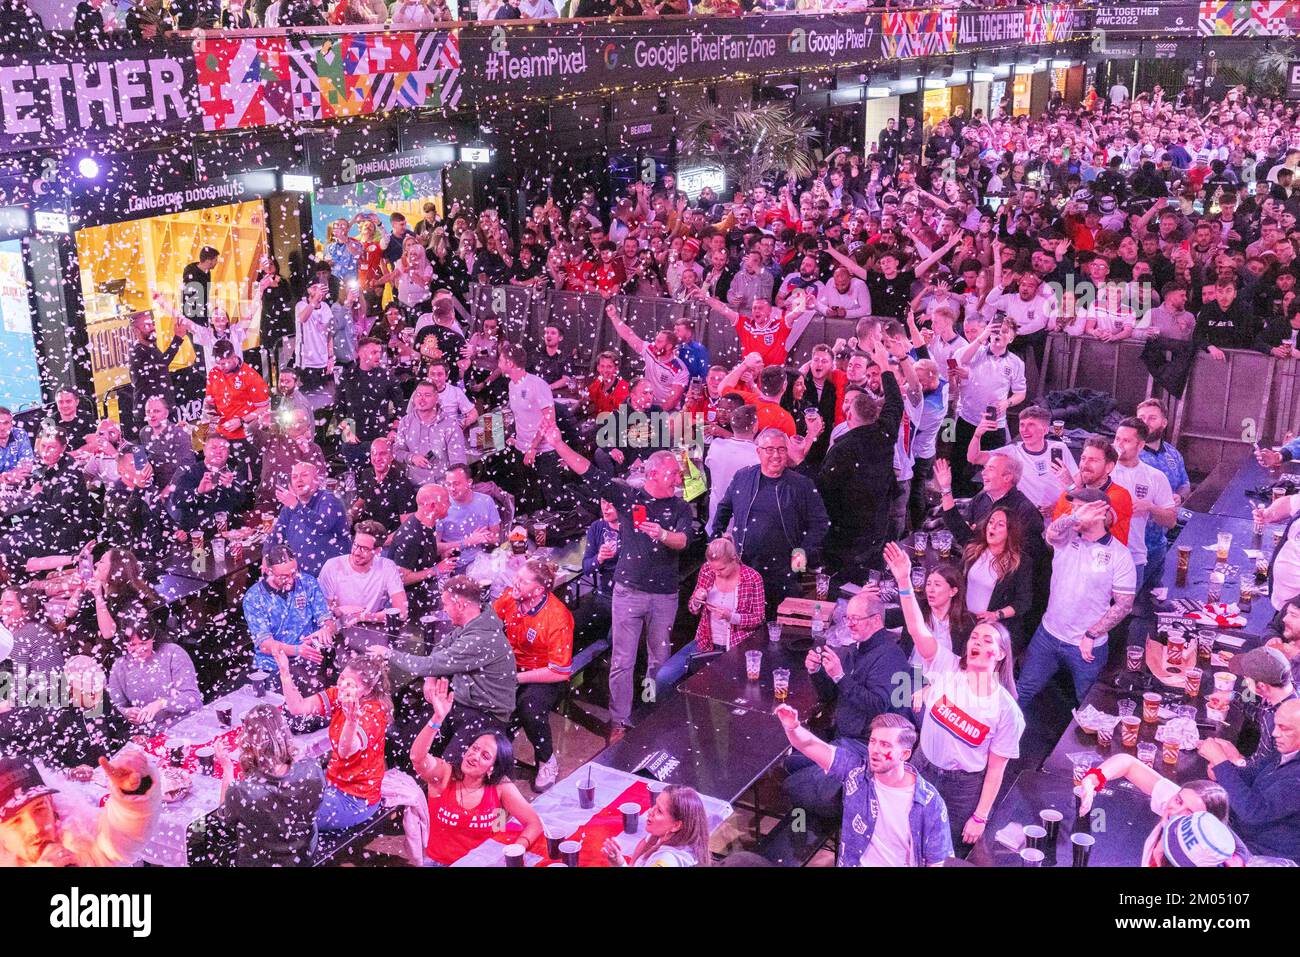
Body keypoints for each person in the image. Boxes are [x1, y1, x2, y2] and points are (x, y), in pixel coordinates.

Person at [545, 425, 693, 743]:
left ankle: (653, 709)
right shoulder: (628, 497)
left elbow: (683, 541)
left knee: (659, 659)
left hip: (664, 595)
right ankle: (620, 721)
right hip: (628, 592)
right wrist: (558, 444)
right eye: (672, 475)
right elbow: (589, 472)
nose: (678, 479)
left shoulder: (680, 507)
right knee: (623, 661)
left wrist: (662, 535)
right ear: (653, 474)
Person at [884, 541, 1024, 852]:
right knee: (906, 835)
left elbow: (997, 769)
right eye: (975, 637)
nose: (977, 641)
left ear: (1000, 654)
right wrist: (905, 582)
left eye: (987, 639)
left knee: (944, 850)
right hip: (922, 765)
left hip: (963, 787)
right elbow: (919, 631)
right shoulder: (947, 667)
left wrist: (980, 816)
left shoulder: (1006, 710)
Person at [786, 590, 912, 818]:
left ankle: (811, 827)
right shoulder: (856, 650)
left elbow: (879, 707)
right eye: (848, 618)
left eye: (855, 619)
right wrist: (816, 672)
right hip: (843, 738)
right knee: (792, 762)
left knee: (794, 782)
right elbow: (830, 696)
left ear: (875, 620)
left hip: (864, 748)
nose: (849, 624)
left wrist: (840, 677)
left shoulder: (890, 656)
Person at [774, 708, 953, 867]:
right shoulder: (856, 771)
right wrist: (793, 728)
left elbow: (937, 861)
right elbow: (810, 745)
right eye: (873, 741)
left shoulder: (929, 803)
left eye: (885, 745)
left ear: (905, 754)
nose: (874, 749)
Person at [371, 575, 517, 755]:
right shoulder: (476, 621)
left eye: (446, 604)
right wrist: (431, 679)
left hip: (487, 714)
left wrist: (388, 653)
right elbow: (440, 647)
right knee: (410, 740)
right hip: (462, 702)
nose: (444, 609)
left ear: (461, 605)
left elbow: (427, 664)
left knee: (451, 764)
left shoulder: (479, 639)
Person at [1017, 490, 1137, 710]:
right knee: (1023, 690)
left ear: (1102, 512)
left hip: (1087, 646)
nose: (1075, 514)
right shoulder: (1066, 537)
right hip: (1048, 635)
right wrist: (1074, 518)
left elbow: (1124, 604)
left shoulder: (1120, 555)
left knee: (1089, 706)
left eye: (1081, 508)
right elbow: (1050, 533)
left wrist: (1093, 633)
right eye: (1073, 508)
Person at [413, 677, 542, 866]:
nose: (474, 756)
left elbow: (534, 823)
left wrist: (518, 848)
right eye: (473, 748)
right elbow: (417, 757)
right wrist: (437, 719)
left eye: (485, 756)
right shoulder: (444, 776)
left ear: (492, 769)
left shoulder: (500, 787)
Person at [713, 426, 830, 615]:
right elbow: (724, 508)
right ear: (758, 452)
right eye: (769, 449)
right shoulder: (743, 477)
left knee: (780, 624)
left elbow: (820, 523)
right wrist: (716, 539)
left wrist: (801, 556)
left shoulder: (802, 484)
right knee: (745, 619)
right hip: (745, 566)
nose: (776, 455)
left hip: (786, 571)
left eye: (781, 449)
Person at [275, 648, 392, 832]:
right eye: (342, 677)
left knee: (288, 817)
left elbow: (347, 751)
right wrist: (285, 673)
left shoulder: (373, 713)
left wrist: (352, 721)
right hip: (331, 783)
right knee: (280, 789)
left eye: (349, 683)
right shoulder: (339, 695)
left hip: (356, 800)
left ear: (367, 690)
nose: (342, 684)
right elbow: (297, 707)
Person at [0, 751, 160, 867]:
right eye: (16, 820)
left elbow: (122, 833)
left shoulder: (83, 835)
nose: (35, 828)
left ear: (51, 804)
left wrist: (134, 789)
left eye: (39, 809)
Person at [493, 558, 573, 791]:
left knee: (529, 708)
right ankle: (498, 764)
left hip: (545, 675)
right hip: (511, 667)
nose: (514, 584)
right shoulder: (509, 597)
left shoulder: (557, 616)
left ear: (538, 590)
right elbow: (486, 624)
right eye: (516, 578)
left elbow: (558, 671)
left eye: (522, 581)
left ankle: (547, 760)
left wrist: (516, 679)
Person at [213, 704, 324, 867]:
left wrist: (227, 769)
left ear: (248, 742)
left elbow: (223, 818)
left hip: (261, 862)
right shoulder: (312, 769)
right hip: (304, 855)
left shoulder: (242, 790)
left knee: (217, 844)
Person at [1076, 757, 1240, 867]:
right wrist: (1092, 780)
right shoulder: (1177, 807)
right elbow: (1128, 763)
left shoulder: (1196, 856)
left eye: (1189, 813)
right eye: (1178, 800)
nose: (1176, 811)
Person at [1199, 698, 1300, 861]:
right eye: (1276, 725)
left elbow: (1253, 811)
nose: (1274, 733)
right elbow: (1249, 775)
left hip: (1263, 855)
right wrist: (1224, 770)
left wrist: (1220, 762)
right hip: (1240, 833)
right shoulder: (1285, 751)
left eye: (1284, 728)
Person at [242, 545, 337, 690]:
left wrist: (326, 630)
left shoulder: (308, 583)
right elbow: (265, 645)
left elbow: (328, 622)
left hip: (309, 660)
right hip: (272, 665)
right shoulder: (254, 597)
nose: (291, 580)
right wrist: (297, 650)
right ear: (268, 571)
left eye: (294, 573)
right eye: (284, 576)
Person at [967, 405, 1077, 512]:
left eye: (1031, 425)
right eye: (1022, 425)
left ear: (1045, 429)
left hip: (1058, 515)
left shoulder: (1058, 448)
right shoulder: (1012, 452)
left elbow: (1077, 481)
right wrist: (977, 435)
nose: (1024, 430)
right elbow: (974, 458)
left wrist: (1057, 506)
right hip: (1025, 517)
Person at [105, 618, 201, 733]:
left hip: (189, 724)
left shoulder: (173, 653)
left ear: (153, 637)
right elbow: (115, 707)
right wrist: (126, 713)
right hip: (151, 734)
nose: (139, 649)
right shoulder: (119, 667)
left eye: (143, 643)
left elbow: (193, 698)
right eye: (132, 645)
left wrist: (162, 703)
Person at [961, 507, 1034, 651]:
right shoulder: (974, 551)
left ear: (1010, 532)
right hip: (967, 621)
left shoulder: (1020, 562)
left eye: (1000, 524)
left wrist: (996, 615)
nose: (992, 527)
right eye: (991, 522)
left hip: (993, 629)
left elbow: (1023, 602)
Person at [319, 521, 409, 627]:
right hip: (339, 629)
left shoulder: (387, 567)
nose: (357, 552)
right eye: (355, 545)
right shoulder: (332, 566)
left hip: (373, 628)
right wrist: (338, 611)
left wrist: (361, 617)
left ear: (378, 550)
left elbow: (402, 613)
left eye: (364, 549)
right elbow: (321, 613)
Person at [1048, 435, 1134, 546]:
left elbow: (1094, 522)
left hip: (1106, 561)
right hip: (1072, 560)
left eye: (1093, 460)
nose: (1085, 465)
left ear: (1109, 467)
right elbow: (1055, 534)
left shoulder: (1120, 495)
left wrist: (1071, 486)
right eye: (1083, 459)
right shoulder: (1067, 494)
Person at [269, 460, 350, 576]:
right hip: (303, 577)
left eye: (304, 475)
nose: (299, 479)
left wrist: (295, 505)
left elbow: (322, 524)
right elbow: (276, 537)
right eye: (294, 477)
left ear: (316, 480)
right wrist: (266, 558)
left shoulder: (329, 499)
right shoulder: (289, 507)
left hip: (334, 576)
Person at [335, 337, 405, 471]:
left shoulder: (386, 377)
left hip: (379, 438)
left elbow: (401, 406)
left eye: (379, 352)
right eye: (373, 352)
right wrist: (347, 431)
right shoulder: (347, 376)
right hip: (353, 439)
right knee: (356, 478)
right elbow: (339, 408)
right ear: (360, 353)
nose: (378, 356)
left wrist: (395, 429)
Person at [604, 304, 689, 411]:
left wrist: (654, 415)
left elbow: (673, 400)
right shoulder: (650, 350)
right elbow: (629, 336)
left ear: (669, 346)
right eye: (656, 340)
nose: (654, 343)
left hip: (667, 410)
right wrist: (613, 317)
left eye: (659, 341)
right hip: (646, 402)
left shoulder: (680, 369)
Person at [687, 537, 765, 652]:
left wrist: (731, 617)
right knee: (668, 671)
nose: (716, 573)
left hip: (738, 646)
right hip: (705, 642)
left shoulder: (752, 578)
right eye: (713, 569)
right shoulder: (707, 570)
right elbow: (693, 609)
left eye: (721, 569)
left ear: (734, 559)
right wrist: (696, 600)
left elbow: (759, 619)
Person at [167, 435, 250, 531]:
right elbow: (177, 501)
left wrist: (231, 488)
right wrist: (198, 492)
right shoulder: (191, 472)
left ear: (228, 453)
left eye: (223, 448)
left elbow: (245, 504)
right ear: (204, 451)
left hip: (230, 531)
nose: (218, 452)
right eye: (213, 448)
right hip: (198, 532)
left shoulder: (233, 473)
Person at [393, 381, 467, 487]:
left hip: (442, 487)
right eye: (418, 395)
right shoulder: (405, 422)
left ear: (437, 398)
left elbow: (458, 464)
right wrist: (411, 457)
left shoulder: (450, 425)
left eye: (427, 395)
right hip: (411, 486)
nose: (421, 399)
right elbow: (396, 451)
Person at [129, 305, 188, 434]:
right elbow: (161, 364)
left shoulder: (151, 347)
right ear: (136, 331)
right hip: (151, 415)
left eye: (152, 324)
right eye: (146, 326)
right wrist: (177, 338)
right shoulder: (138, 352)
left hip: (163, 409)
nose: (152, 328)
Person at [436, 464, 501, 571]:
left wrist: (486, 538)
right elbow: (435, 548)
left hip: (486, 560)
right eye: (448, 484)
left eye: (456, 484)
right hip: (457, 566)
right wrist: (468, 541)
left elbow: (496, 538)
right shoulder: (441, 507)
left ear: (469, 482)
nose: (452, 489)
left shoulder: (486, 501)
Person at [351, 437, 417, 540]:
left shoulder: (402, 485)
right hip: (366, 535)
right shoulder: (366, 474)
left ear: (391, 457)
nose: (377, 458)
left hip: (388, 541)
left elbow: (407, 527)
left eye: (382, 454)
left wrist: (380, 542)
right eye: (374, 453)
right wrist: (349, 516)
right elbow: (361, 502)